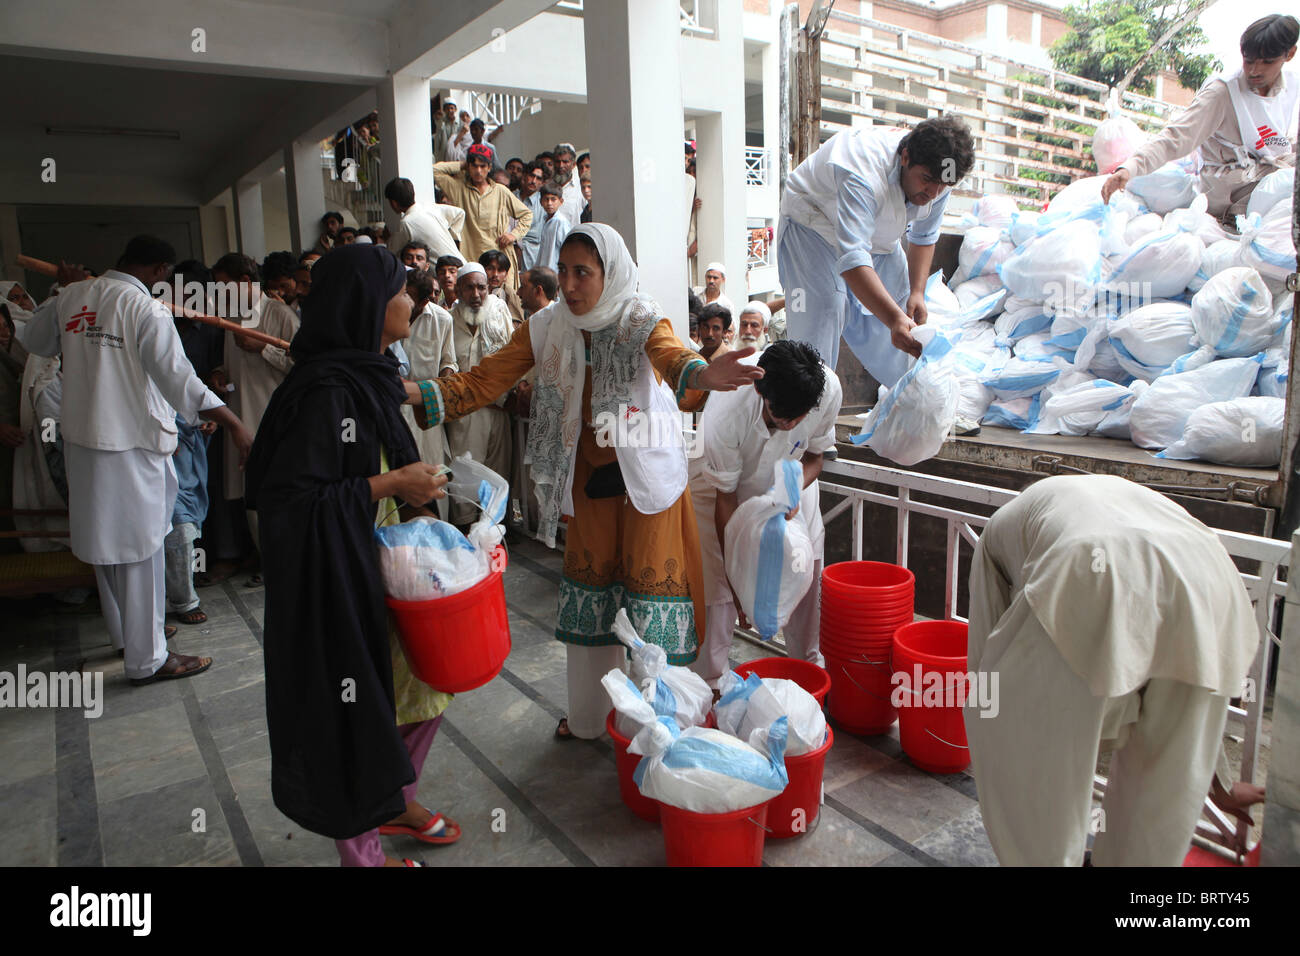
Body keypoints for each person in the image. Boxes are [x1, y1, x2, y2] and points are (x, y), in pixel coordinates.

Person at [405, 223, 763, 740]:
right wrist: (414, 393)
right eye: (565, 272)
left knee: (650, 605)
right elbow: (486, 377)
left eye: (583, 273)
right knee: (592, 603)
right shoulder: (548, 326)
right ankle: (594, 720)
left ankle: (661, 731)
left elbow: (674, 358)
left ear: (609, 272)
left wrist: (704, 374)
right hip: (591, 486)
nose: (570, 286)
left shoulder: (639, 316)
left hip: (647, 486)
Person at [244, 244, 460, 865]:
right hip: (337, 581)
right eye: (398, 290)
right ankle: (362, 852)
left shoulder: (366, 372)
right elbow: (289, 503)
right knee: (353, 711)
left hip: (386, 566)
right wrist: (393, 486)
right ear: (366, 302)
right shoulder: (324, 391)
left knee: (427, 686)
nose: (409, 300)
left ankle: (393, 798)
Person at [965, 475, 1262, 866]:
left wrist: (990, 722)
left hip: (1085, 568)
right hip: (1211, 579)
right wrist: (1218, 784)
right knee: (1162, 792)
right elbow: (1196, 708)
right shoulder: (1093, 498)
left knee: (1034, 781)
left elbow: (988, 660)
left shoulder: (998, 534)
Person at [19, 236, 253, 684]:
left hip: (84, 444)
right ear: (160, 270)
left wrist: (59, 291)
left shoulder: (72, 296)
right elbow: (180, 380)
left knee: (109, 550)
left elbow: (33, 337)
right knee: (143, 550)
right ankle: (148, 659)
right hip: (131, 446)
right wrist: (235, 425)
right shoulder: (146, 308)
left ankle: (129, 638)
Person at [689, 341, 842, 688]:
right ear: (760, 391)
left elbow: (815, 457)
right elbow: (725, 500)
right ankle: (710, 685)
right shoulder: (727, 412)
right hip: (722, 492)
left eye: (798, 418)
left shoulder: (828, 389)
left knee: (805, 575)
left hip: (791, 488)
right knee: (720, 597)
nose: (789, 424)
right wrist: (738, 582)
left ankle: (808, 676)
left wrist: (789, 490)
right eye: (779, 416)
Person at [778, 115, 975, 383]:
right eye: (927, 180)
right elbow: (853, 258)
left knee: (908, 312)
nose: (933, 192)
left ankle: (917, 402)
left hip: (877, 236)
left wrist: (917, 293)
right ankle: (807, 412)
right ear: (905, 157)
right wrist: (893, 319)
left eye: (943, 185)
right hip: (812, 223)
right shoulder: (862, 169)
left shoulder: (941, 177)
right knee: (824, 311)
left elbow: (925, 234)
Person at [1102, 14, 1298, 220]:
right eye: (1249, 61)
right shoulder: (1223, 93)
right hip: (1229, 188)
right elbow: (1177, 136)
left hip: (1265, 173)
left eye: (1267, 62)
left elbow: (1278, 142)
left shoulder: (1290, 88)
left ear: (1290, 54)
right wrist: (1130, 168)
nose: (1254, 70)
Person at [208, 253, 299, 562]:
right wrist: (219, 374)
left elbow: (304, 365)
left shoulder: (281, 315)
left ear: (245, 282)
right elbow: (229, 363)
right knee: (251, 493)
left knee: (277, 491)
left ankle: (285, 560)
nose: (220, 293)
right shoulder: (230, 317)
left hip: (273, 418)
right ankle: (267, 560)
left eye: (224, 286)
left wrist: (266, 348)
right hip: (240, 416)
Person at [443, 262, 514, 525]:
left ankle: (495, 531)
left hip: (498, 407)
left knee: (498, 470)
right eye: (469, 288)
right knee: (465, 472)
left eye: (481, 288)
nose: (476, 295)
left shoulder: (499, 311)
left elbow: (512, 355)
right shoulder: (447, 321)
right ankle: (464, 529)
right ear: (458, 290)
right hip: (466, 412)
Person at [434, 146, 533, 291]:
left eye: (482, 166)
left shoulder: (500, 191)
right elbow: (435, 170)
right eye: (474, 166)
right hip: (473, 259)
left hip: (501, 259)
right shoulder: (459, 189)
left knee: (509, 305)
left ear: (489, 167)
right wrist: (462, 165)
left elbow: (527, 214)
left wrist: (513, 235)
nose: (478, 171)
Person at [385, 176, 464, 262]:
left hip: (443, 271)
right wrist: (452, 238)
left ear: (394, 203)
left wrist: (388, 238)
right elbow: (460, 213)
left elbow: (391, 251)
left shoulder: (407, 223)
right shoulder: (429, 207)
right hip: (460, 264)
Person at [515, 162, 547, 271]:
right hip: (510, 251)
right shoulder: (512, 196)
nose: (533, 181)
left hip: (532, 257)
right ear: (524, 176)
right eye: (531, 176)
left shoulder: (543, 202)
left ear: (542, 183)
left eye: (538, 178)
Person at [480, 249, 524, 324]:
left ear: (506, 275)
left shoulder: (510, 294)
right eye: (490, 269)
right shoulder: (475, 290)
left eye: (500, 270)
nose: (495, 274)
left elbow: (517, 324)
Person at [537, 183, 570, 272]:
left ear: (561, 201)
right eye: (546, 199)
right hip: (544, 269)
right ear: (541, 202)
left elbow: (566, 248)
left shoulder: (560, 222)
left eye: (553, 199)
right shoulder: (545, 220)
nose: (549, 203)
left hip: (555, 271)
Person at [552, 142, 584, 227]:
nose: (561, 166)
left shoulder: (580, 188)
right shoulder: (547, 186)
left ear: (573, 165)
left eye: (565, 162)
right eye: (558, 161)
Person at [432, 95, 459, 163]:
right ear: (444, 110)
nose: (450, 111)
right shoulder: (441, 122)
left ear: (455, 109)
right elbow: (439, 128)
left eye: (452, 108)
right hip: (442, 157)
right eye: (447, 108)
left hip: (454, 156)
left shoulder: (459, 123)